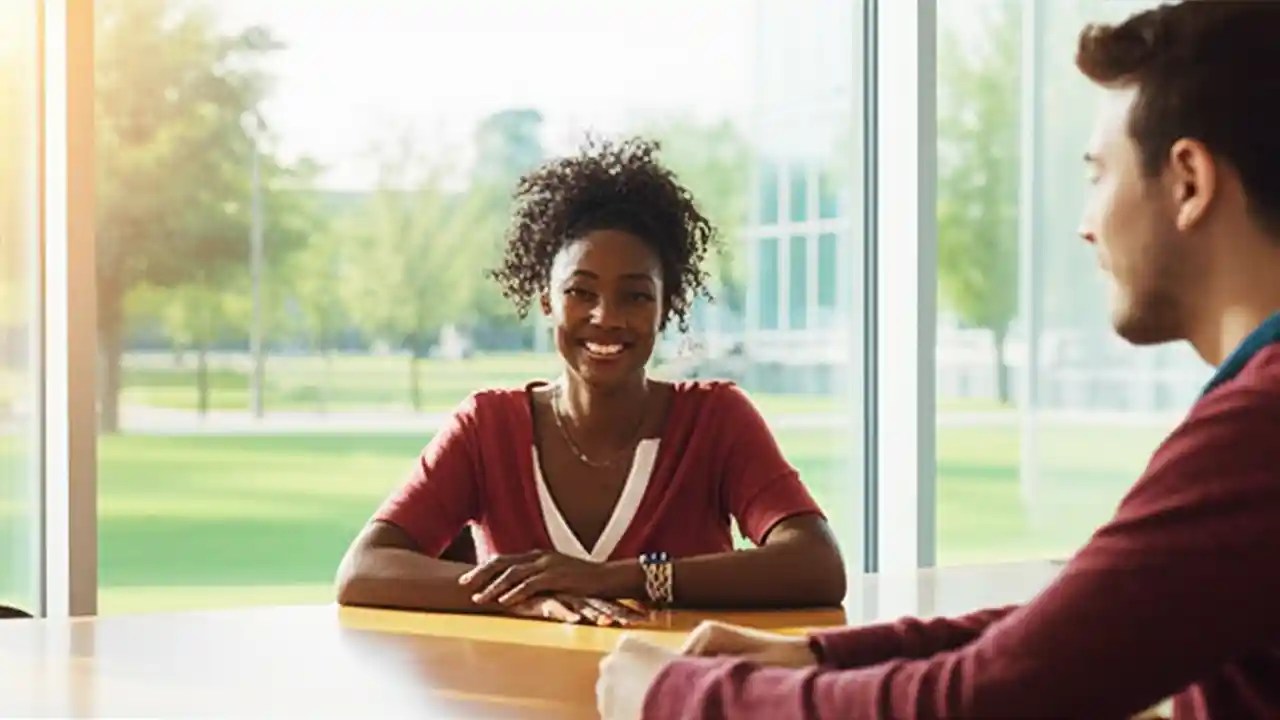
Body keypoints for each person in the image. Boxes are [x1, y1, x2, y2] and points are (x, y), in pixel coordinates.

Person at [598, 2, 1280, 717]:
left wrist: (673, 695)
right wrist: (820, 654)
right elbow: (1097, 624)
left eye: (1098, 174)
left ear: (1189, 182)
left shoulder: (1259, 429)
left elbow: (989, 698)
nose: (1085, 224)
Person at [336, 137, 846, 626]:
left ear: (666, 307)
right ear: (546, 299)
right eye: (580, 292)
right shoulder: (487, 428)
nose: (606, 317)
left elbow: (816, 563)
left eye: (636, 296)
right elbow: (364, 569)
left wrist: (612, 579)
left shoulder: (716, 421)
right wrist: (527, 597)